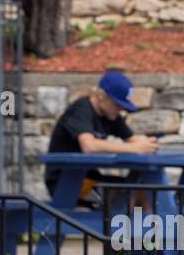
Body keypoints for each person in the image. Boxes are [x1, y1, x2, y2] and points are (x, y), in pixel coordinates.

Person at [44, 70, 159, 211]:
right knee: (120, 193)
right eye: (117, 104)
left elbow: (132, 140)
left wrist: (147, 143)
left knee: (142, 190)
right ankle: (120, 231)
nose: (121, 109)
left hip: (92, 180)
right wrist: (136, 148)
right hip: (66, 184)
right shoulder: (81, 110)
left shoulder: (111, 114)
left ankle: (152, 231)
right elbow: (89, 145)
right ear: (101, 96)